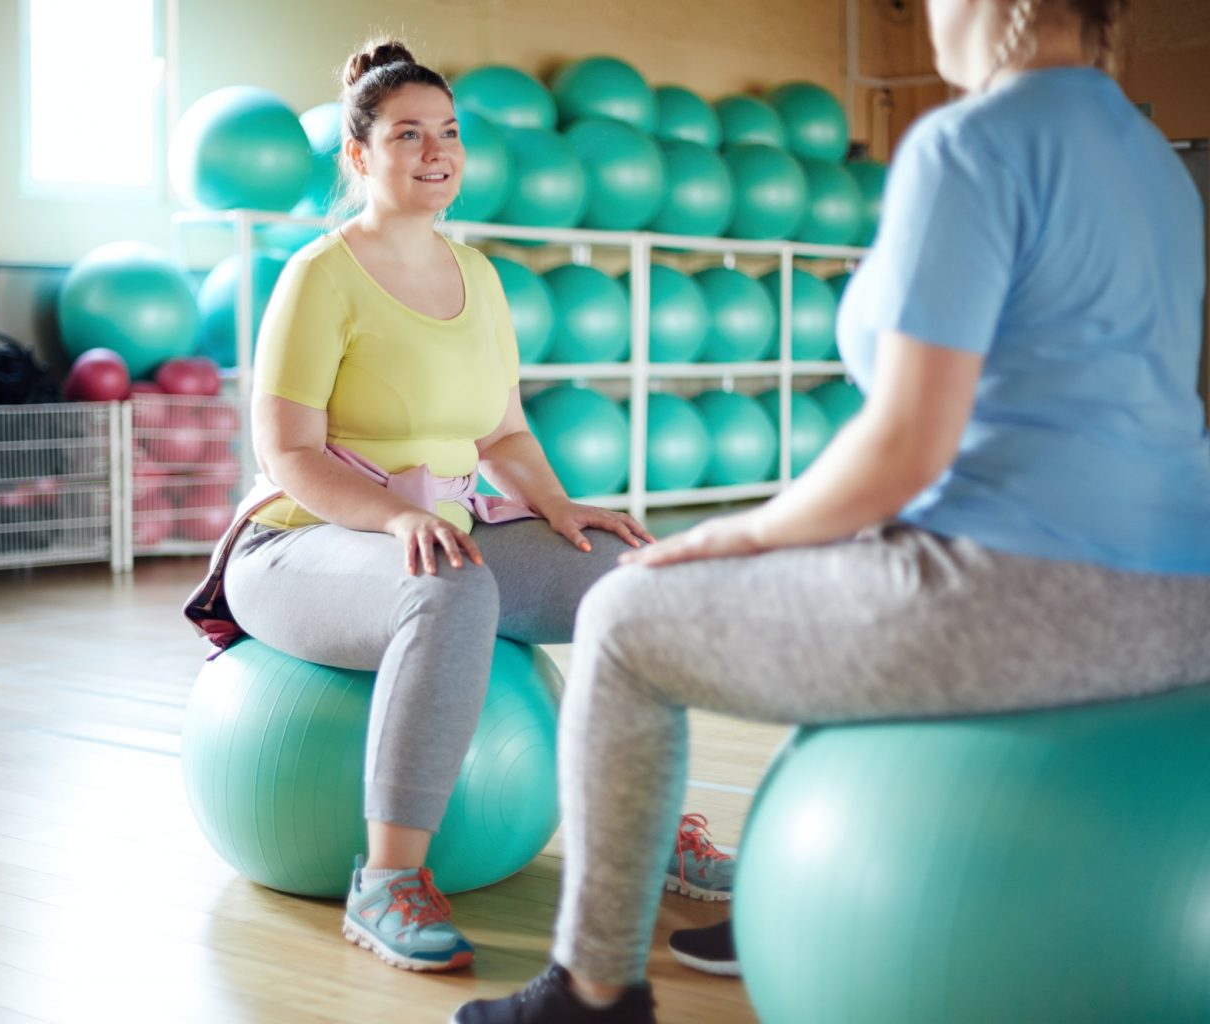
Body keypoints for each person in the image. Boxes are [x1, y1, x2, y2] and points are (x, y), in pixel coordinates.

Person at [454, 0, 1210, 1019]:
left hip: (1019, 598)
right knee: (828, 569)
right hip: (1182, 603)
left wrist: (738, 532)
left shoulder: (968, 142)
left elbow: (906, 443)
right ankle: (781, 881)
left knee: (624, 621)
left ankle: (590, 991)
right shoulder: (1155, 161)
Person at [210, 39, 664, 973]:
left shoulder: (483, 278)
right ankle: (387, 882)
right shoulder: (318, 275)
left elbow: (503, 436)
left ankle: (653, 830)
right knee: (451, 589)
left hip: (437, 532)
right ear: (358, 156)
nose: (435, 151)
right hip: (300, 545)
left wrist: (562, 507)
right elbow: (285, 452)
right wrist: (390, 514)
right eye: (408, 134)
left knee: (636, 580)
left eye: (448, 133)